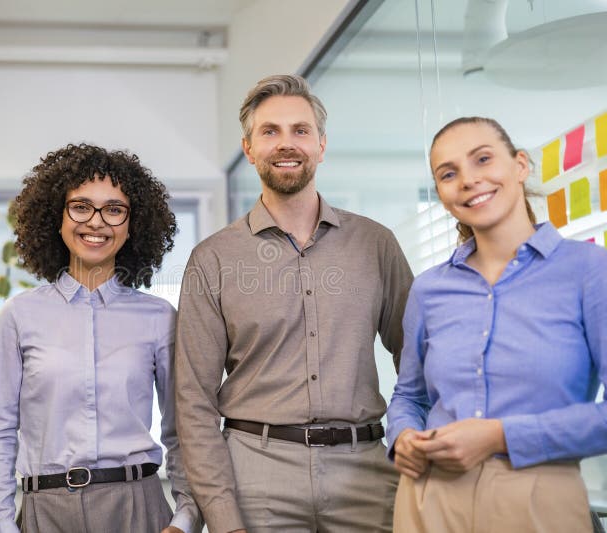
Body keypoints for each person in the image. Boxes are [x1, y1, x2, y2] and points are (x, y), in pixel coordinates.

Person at [175, 74, 414, 532]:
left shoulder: (376, 244)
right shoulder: (213, 258)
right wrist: (224, 518)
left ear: (321, 145)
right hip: (255, 478)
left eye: (300, 130)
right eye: (270, 131)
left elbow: (418, 359)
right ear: (249, 149)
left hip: (365, 473)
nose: (287, 144)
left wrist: (411, 443)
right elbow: (194, 402)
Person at [386, 116, 607, 532]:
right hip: (427, 496)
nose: (468, 180)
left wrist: (500, 436)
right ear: (442, 194)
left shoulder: (589, 271)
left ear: (520, 166)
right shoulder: (429, 290)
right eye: (448, 174)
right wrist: (403, 437)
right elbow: (409, 397)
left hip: (540, 498)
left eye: (483, 159)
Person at [0, 143, 202, 533]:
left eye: (114, 210)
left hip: (139, 508)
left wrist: (185, 519)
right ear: (57, 218)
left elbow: (182, 429)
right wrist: (0, 527)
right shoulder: (18, 317)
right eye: (81, 207)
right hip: (44, 512)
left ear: (133, 224)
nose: (96, 222)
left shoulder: (159, 317)